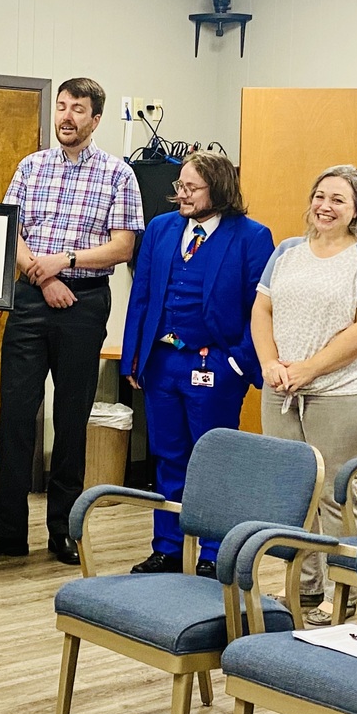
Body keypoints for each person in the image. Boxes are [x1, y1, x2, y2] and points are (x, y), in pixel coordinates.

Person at [0, 77, 143, 566]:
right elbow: (12, 234)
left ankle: (63, 531)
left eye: (77, 109)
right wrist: (44, 279)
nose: (66, 116)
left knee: (70, 418)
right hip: (29, 298)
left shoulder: (118, 174)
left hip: (85, 302)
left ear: (95, 119)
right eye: (61, 106)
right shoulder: (31, 166)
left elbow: (122, 246)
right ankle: (7, 531)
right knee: (16, 415)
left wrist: (64, 261)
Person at [252, 164, 357, 625]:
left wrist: (308, 370)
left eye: (338, 199)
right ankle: (305, 585)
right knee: (295, 492)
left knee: (336, 494)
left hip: (342, 393)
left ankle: (346, 592)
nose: (325, 206)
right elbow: (261, 310)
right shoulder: (287, 251)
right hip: (282, 390)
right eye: (320, 196)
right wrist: (270, 364)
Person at [120, 151, 274, 579]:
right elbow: (142, 295)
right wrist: (134, 356)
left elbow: (261, 309)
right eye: (180, 186)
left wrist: (238, 363)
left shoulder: (252, 237)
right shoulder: (161, 228)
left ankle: (213, 552)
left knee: (214, 460)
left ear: (219, 190)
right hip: (162, 363)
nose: (181, 195)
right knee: (167, 456)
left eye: (191, 188)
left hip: (216, 366)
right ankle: (168, 548)